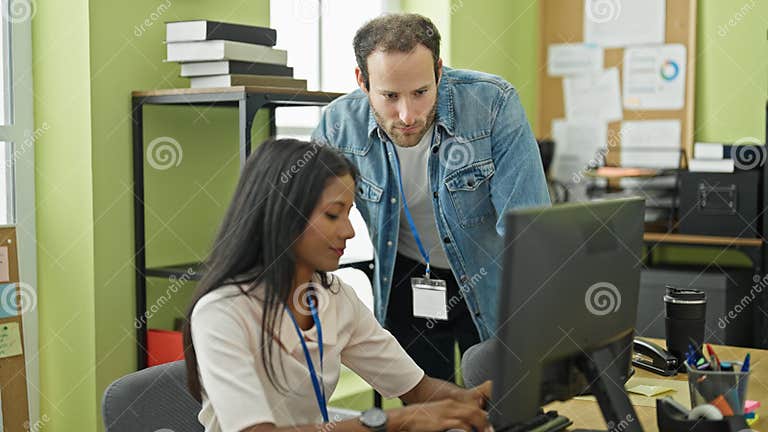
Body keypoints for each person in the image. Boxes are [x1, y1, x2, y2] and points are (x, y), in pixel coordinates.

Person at [182, 138, 493, 432]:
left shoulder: (335, 297)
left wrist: (473, 400)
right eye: (333, 215)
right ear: (284, 214)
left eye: (349, 213)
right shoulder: (221, 313)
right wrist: (396, 421)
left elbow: (418, 389)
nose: (348, 231)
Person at [312, 13, 551, 381]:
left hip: (489, 278)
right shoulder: (338, 125)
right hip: (408, 278)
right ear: (362, 80)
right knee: (428, 409)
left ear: (438, 71)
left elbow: (528, 224)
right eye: (390, 96)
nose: (407, 115)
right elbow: (310, 220)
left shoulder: (493, 104)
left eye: (421, 92)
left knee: (500, 405)